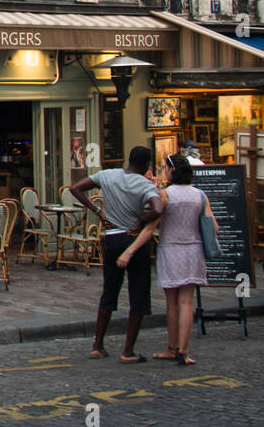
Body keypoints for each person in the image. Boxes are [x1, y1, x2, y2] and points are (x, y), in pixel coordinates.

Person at [70, 145, 163, 364]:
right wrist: (140, 221)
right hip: (134, 239)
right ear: (146, 165)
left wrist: (98, 211)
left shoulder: (108, 175)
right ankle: (128, 350)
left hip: (111, 236)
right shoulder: (145, 184)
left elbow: (76, 188)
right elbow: (158, 209)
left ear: (129, 159)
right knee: (138, 294)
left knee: (109, 290)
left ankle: (98, 344)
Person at [133, 155, 210, 366]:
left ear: (172, 171)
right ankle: (184, 351)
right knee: (187, 301)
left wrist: (130, 250)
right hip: (193, 249)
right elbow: (213, 227)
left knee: (171, 302)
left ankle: (171, 346)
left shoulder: (165, 195)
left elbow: (152, 224)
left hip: (171, 248)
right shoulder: (200, 195)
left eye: (166, 168)